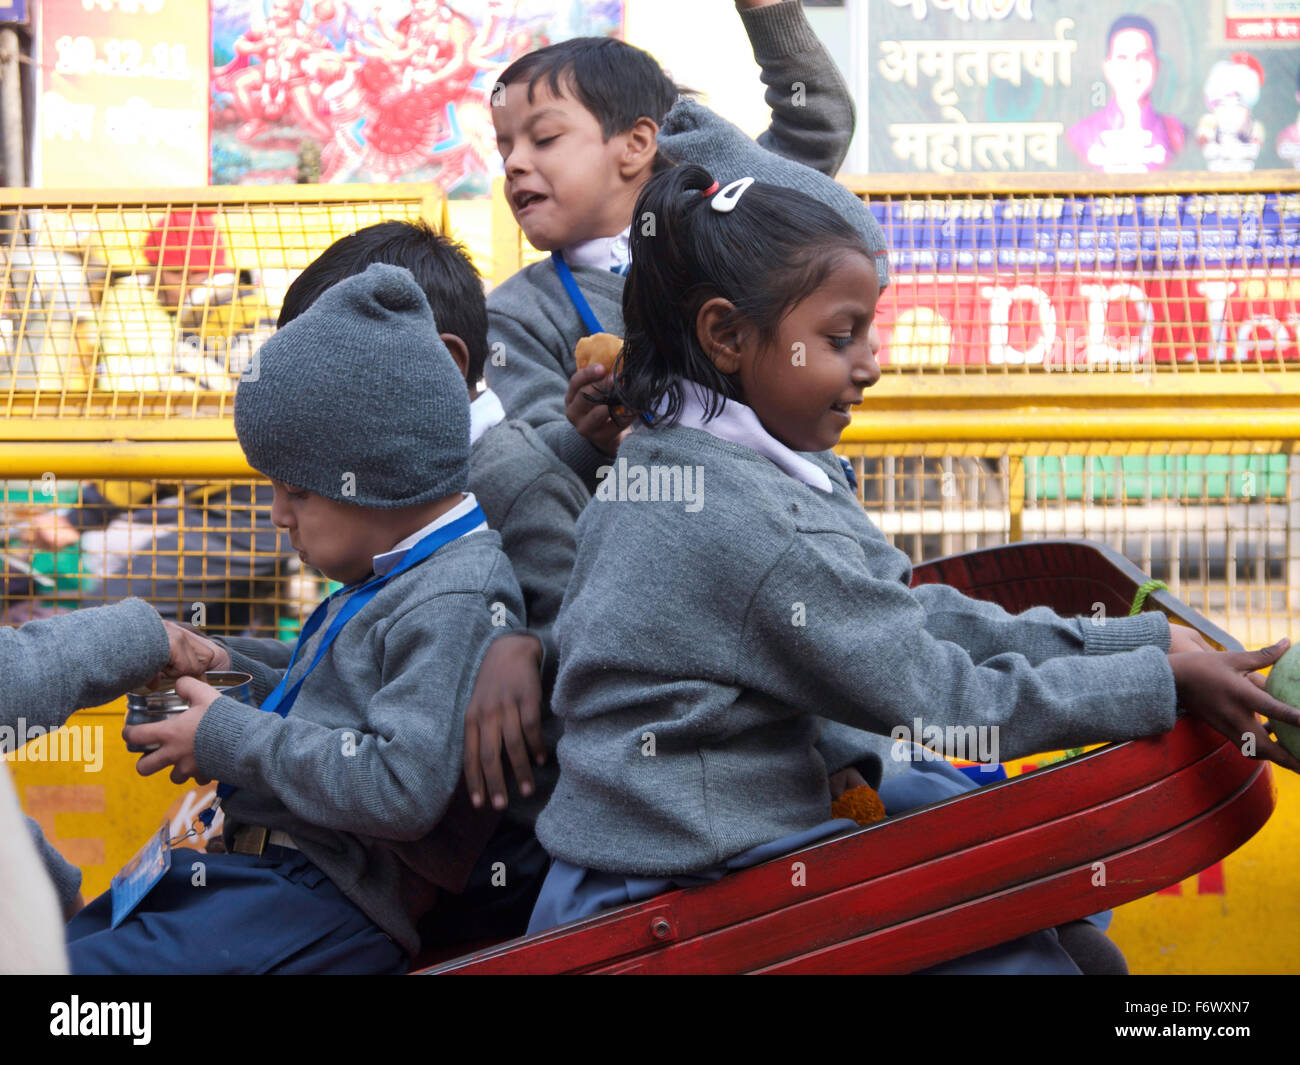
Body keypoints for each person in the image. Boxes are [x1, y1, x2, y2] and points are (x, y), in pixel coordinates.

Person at [524, 165, 1300, 974]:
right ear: (725, 335)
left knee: (1074, 948)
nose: (871, 363)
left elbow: (904, 618)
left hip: (680, 865)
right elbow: (946, 700)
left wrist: (1134, 644)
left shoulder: (702, 457)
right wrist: (1160, 685)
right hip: (668, 906)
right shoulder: (739, 516)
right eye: (839, 337)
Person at [63, 264, 527, 974]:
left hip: (315, 900)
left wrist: (223, 734)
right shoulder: (399, 568)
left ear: (378, 474)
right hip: (257, 876)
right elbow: (334, 697)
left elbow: (399, 785)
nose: (278, 516)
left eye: (295, 491)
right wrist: (225, 666)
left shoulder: (454, 594)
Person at [266, 219, 585, 940]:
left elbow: (589, 647)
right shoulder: (391, 485)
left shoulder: (512, 480)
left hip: (495, 865)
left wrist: (529, 647)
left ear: (441, 362)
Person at [486, 0, 859, 490]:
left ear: (637, 143)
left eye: (545, 138)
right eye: (504, 146)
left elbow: (815, 126)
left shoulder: (730, 218)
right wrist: (590, 441)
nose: (513, 163)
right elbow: (532, 458)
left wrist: (768, 13)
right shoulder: (516, 313)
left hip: (792, 512)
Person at [1066, 14, 1184, 173]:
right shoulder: (1081, 136)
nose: (1132, 67)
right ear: (1107, 67)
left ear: (1157, 64)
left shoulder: (1176, 134)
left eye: (1142, 57)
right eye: (1122, 58)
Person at [1197, 54, 1265, 172]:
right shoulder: (1209, 130)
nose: (1230, 114)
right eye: (1222, 106)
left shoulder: (1254, 132)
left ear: (1248, 110)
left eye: (1238, 106)